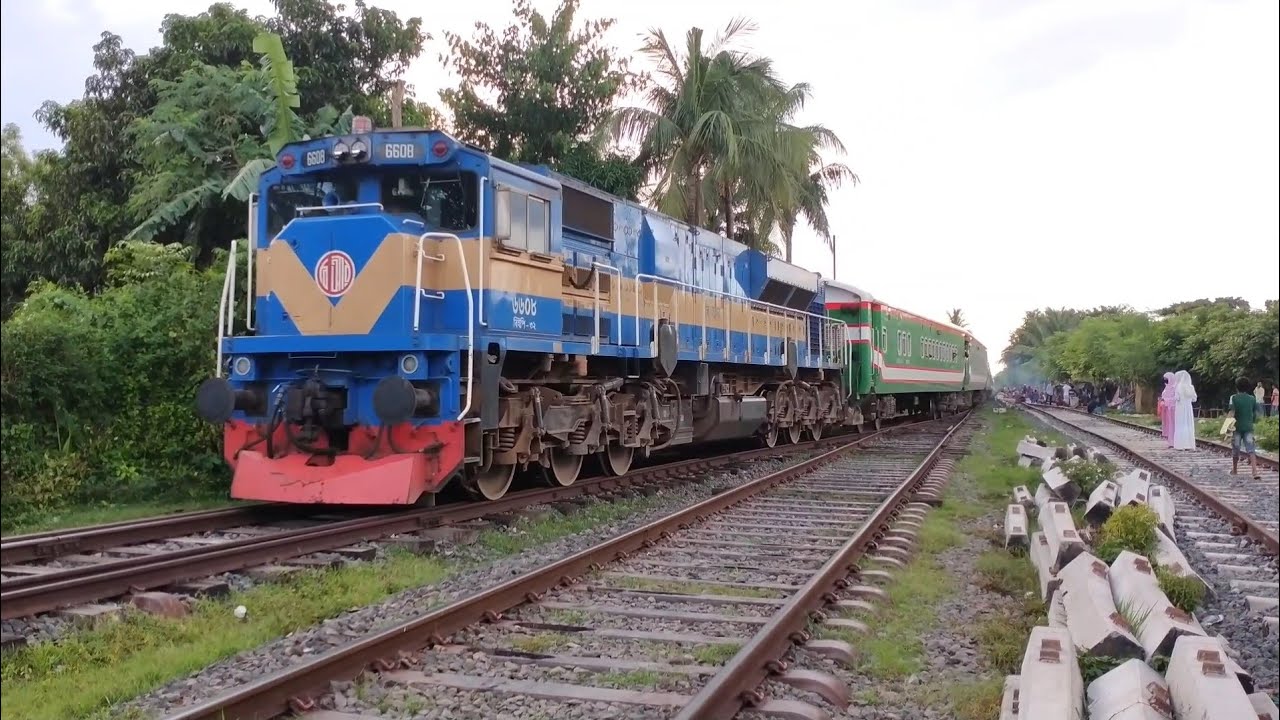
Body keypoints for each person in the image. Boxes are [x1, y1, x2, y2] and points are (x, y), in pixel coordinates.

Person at [1229, 378, 1261, 479]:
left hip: (1237, 427)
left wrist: (1227, 427)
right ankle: (1254, 471)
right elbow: (1255, 413)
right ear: (1248, 387)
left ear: (1236, 387)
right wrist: (1252, 421)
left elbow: (1231, 412)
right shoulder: (1252, 398)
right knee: (1251, 449)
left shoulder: (1233, 398)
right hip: (1248, 427)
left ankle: (1234, 470)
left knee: (1236, 448)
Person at [1171, 370, 1197, 451]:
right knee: (1188, 425)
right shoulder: (1191, 387)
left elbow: (1177, 398)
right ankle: (1189, 444)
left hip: (1180, 408)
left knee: (1181, 425)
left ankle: (1180, 444)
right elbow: (1194, 399)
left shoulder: (1178, 387)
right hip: (1188, 408)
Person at [1159, 372, 1176, 446]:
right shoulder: (1166, 388)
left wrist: (1166, 401)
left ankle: (1174, 440)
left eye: (1167, 379)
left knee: (1173, 424)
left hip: (1173, 409)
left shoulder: (1175, 388)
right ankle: (1170, 441)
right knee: (1168, 425)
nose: (1165, 381)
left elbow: (1175, 399)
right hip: (1166, 409)